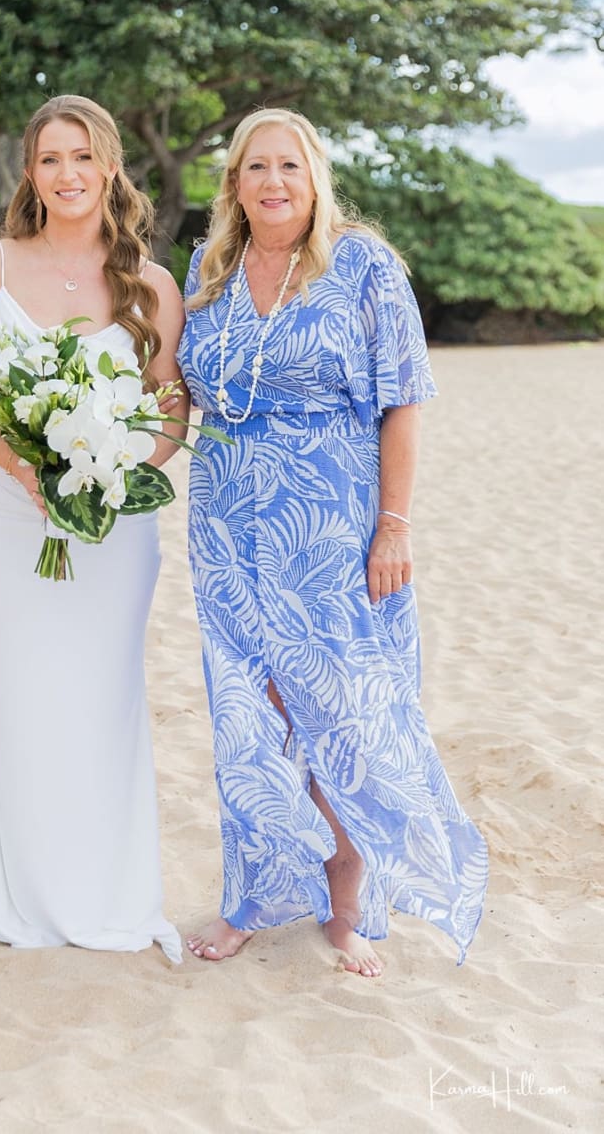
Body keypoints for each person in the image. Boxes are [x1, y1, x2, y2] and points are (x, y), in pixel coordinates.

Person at [177, 108, 487, 976]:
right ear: (233, 183)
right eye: (253, 168)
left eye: (288, 166)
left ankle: (345, 909)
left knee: (341, 718)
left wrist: (393, 525)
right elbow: (179, 394)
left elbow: (404, 401)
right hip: (228, 529)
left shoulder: (362, 266)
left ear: (314, 176)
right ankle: (252, 899)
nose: (272, 182)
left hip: (331, 530)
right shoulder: (211, 269)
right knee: (252, 717)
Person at [0, 96, 187, 960]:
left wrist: (117, 474)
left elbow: (168, 411)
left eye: (83, 157)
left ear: (111, 168)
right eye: (50, 158)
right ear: (29, 173)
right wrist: (24, 469)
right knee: (23, 693)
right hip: (11, 518)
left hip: (114, 529)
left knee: (103, 697)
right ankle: (19, 894)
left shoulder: (150, 285)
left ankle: (105, 890)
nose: (68, 174)